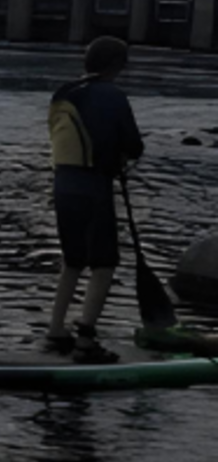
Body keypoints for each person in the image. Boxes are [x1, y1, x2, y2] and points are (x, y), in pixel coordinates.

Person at [45, 35, 144, 361]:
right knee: (103, 263)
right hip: (93, 187)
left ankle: (56, 330)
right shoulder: (113, 95)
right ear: (118, 66)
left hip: (62, 183)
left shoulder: (64, 93)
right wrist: (121, 156)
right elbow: (133, 145)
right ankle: (85, 339)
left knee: (73, 260)